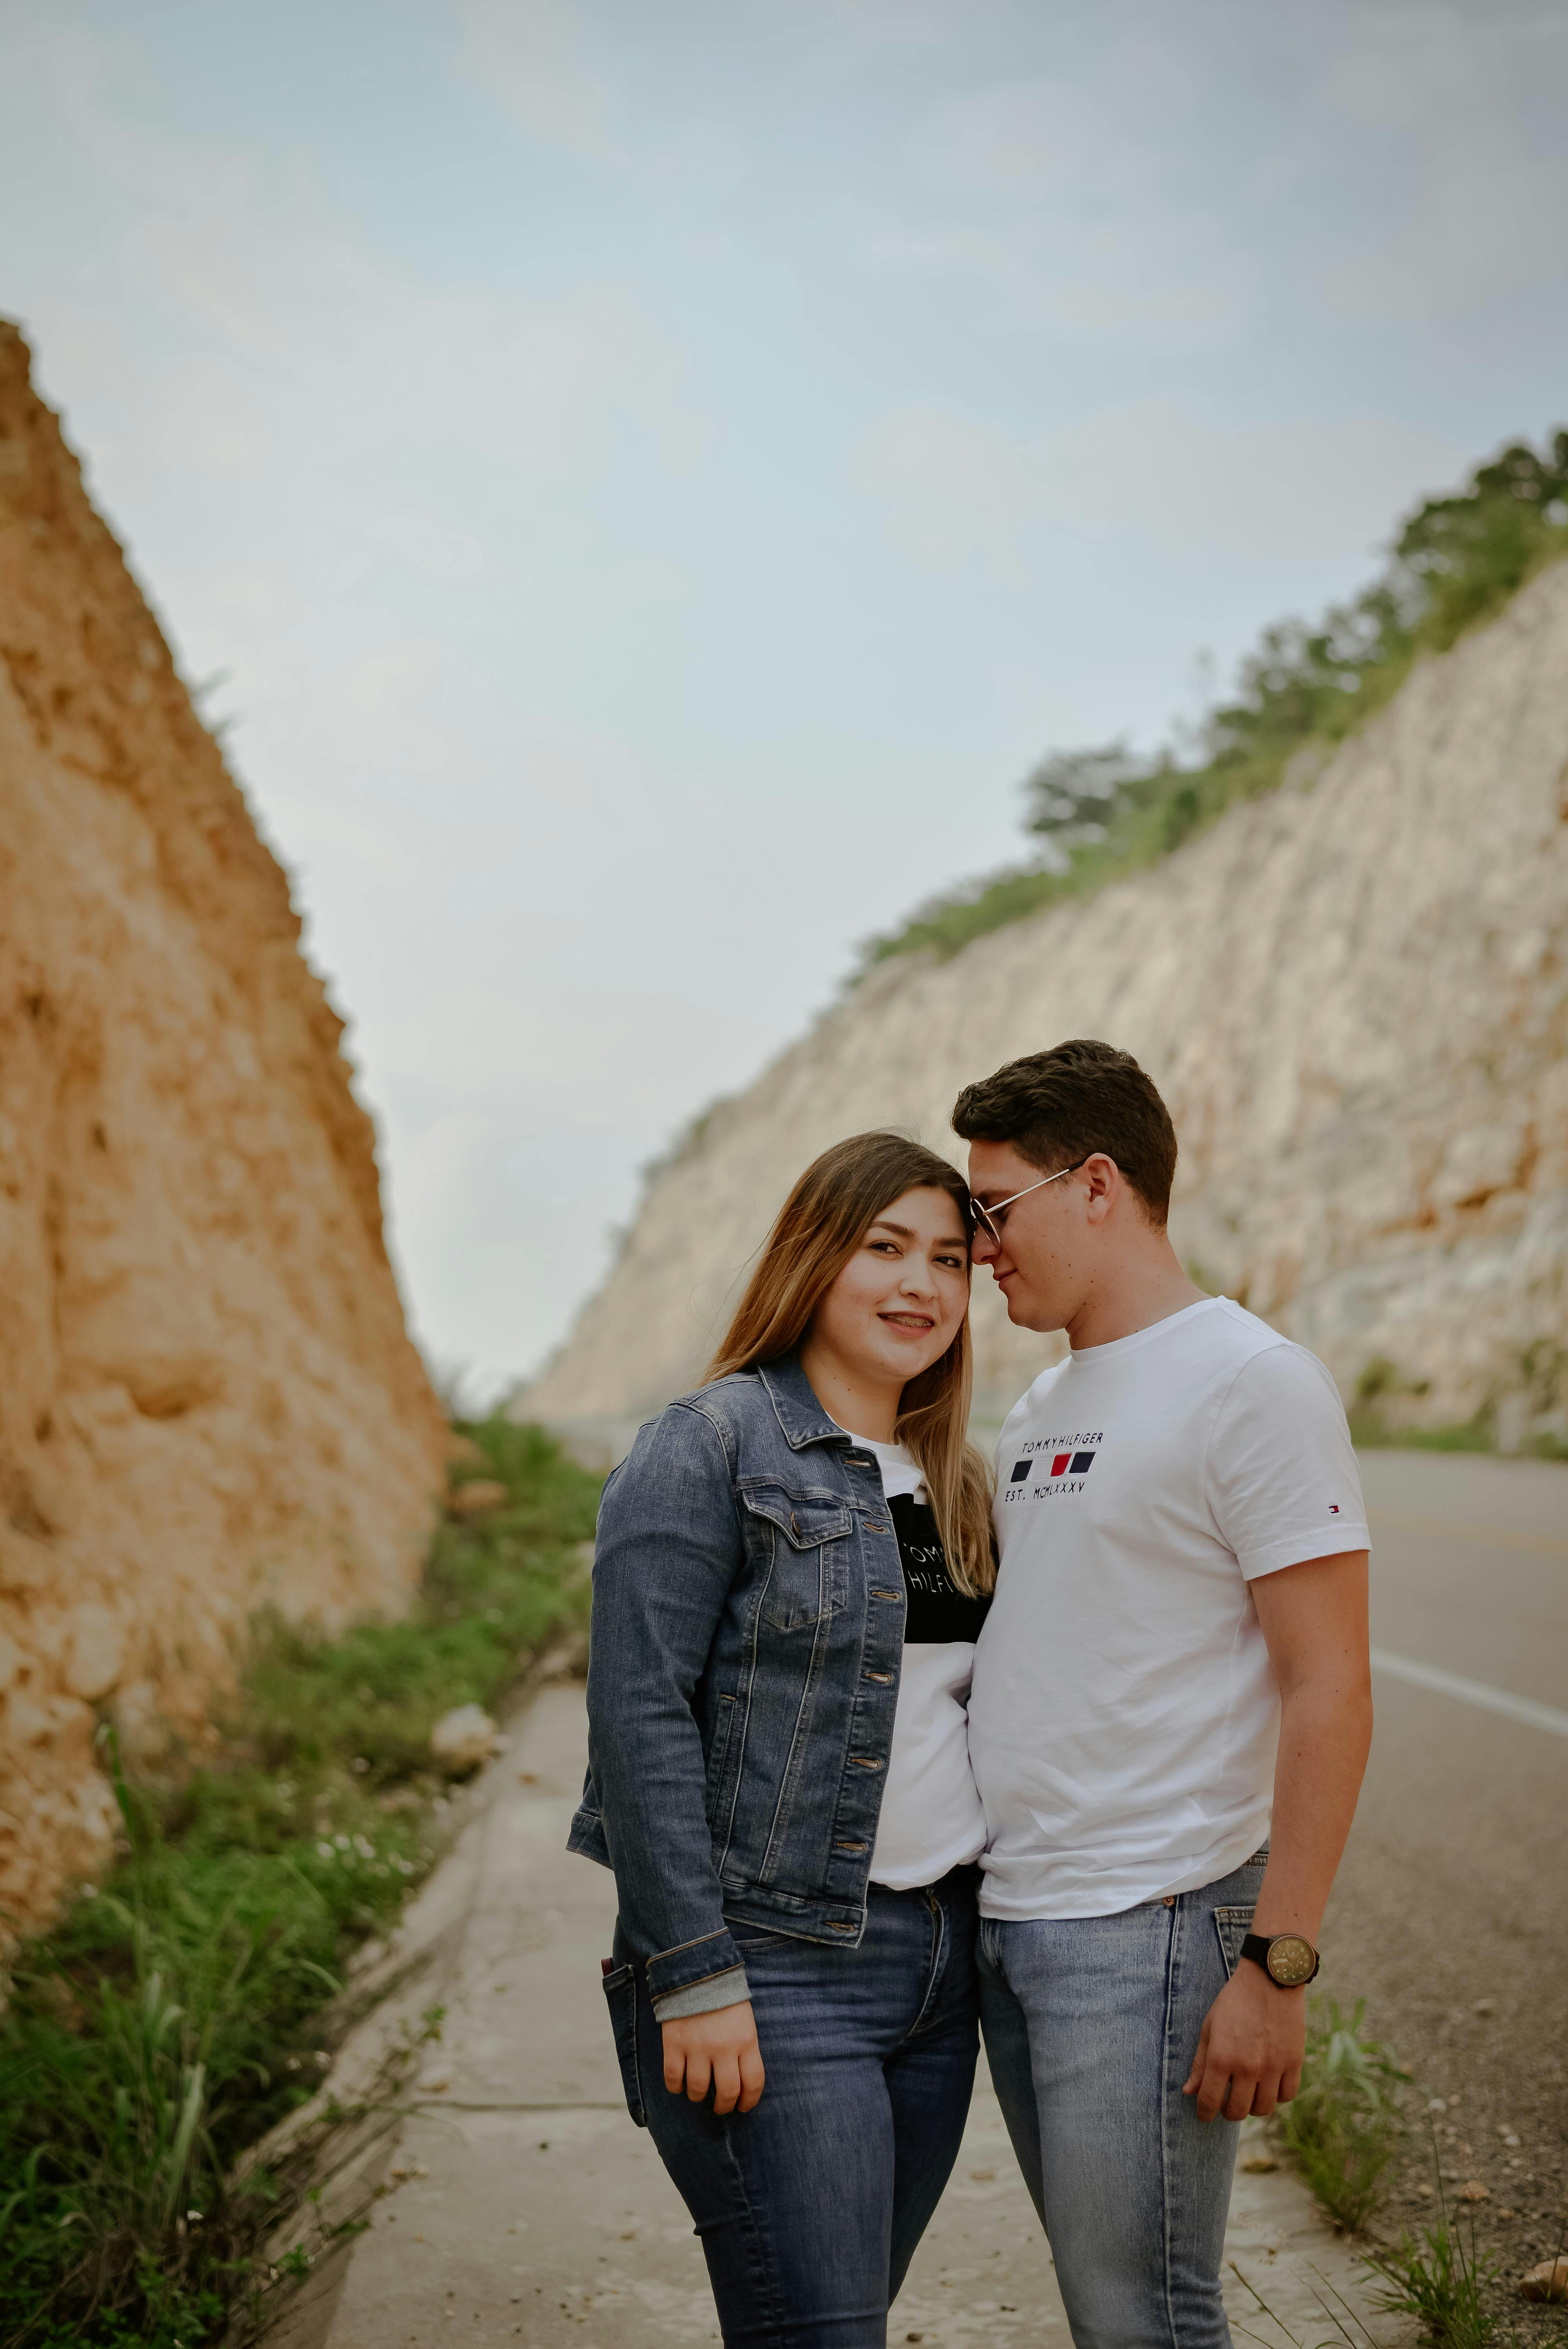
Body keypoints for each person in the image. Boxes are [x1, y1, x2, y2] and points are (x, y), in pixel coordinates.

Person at [953, 1039, 1373, 2349]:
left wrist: (1276, 1964)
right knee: (1107, 2310)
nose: (975, 1248)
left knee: (1145, 2319)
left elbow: (1330, 1685)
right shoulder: (1041, 1402)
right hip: (1015, 1916)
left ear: (1095, 1184)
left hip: (1146, 1924)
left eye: (991, 1210)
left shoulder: (1251, 1381)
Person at [569, 1131, 998, 2347]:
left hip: (939, 1973)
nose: (919, 1285)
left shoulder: (953, 1480)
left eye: (949, 1259)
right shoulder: (705, 1446)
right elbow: (638, 1715)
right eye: (884, 1248)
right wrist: (693, 1973)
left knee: (830, 2319)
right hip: (773, 1967)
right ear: (813, 1256)